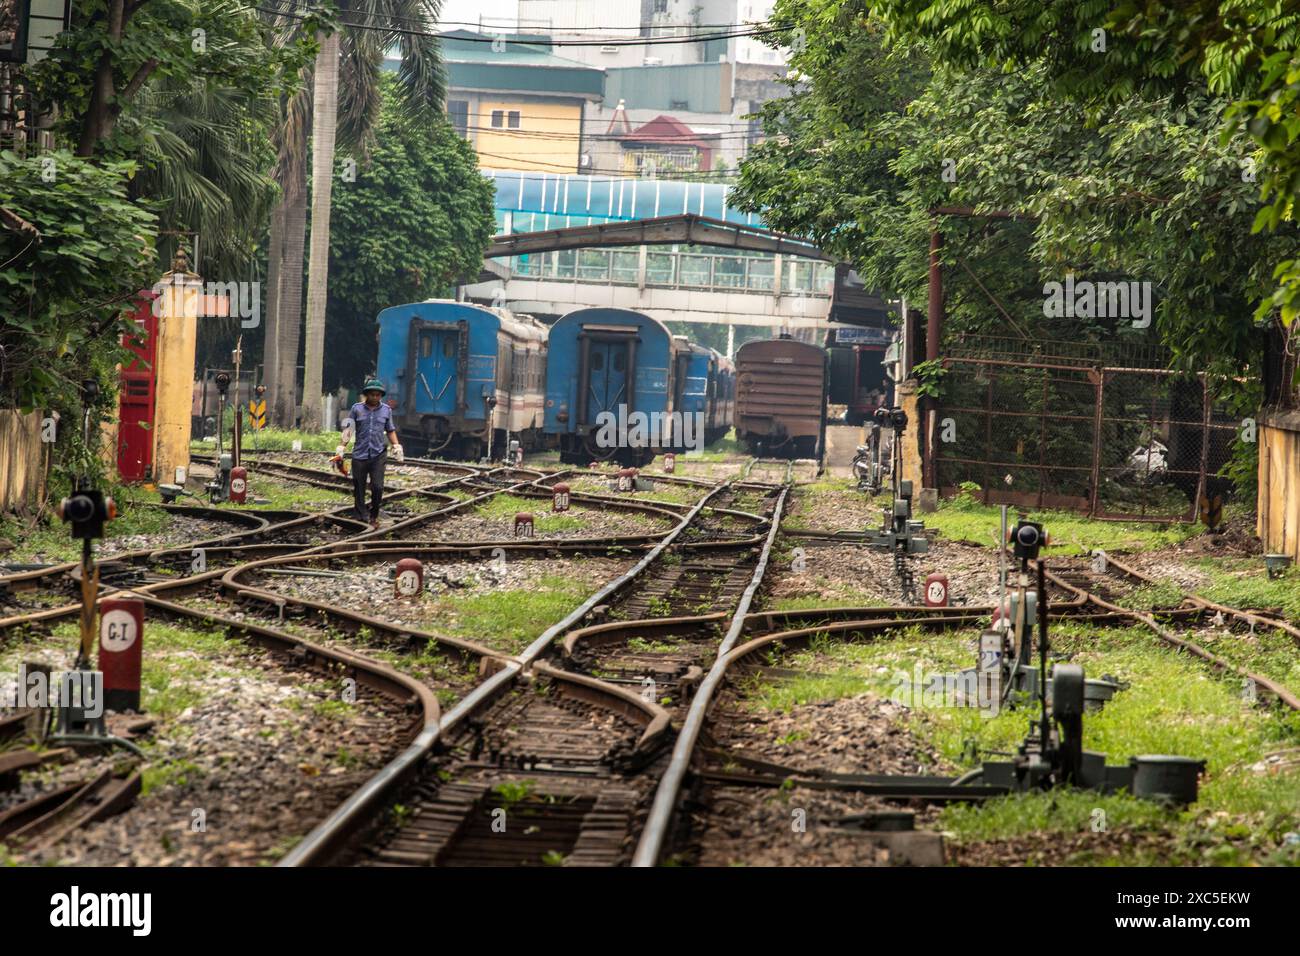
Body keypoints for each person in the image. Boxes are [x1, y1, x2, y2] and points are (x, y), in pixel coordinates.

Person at [339, 378, 403, 528]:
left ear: (381, 396)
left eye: (378, 395)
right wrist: (341, 447)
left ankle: (374, 514)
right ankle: (361, 516)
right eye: (372, 394)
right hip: (359, 454)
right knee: (359, 487)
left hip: (378, 454)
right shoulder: (356, 409)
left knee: (378, 487)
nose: (375, 397)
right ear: (366, 394)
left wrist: (396, 445)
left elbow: (390, 430)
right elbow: (349, 430)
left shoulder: (386, 410)